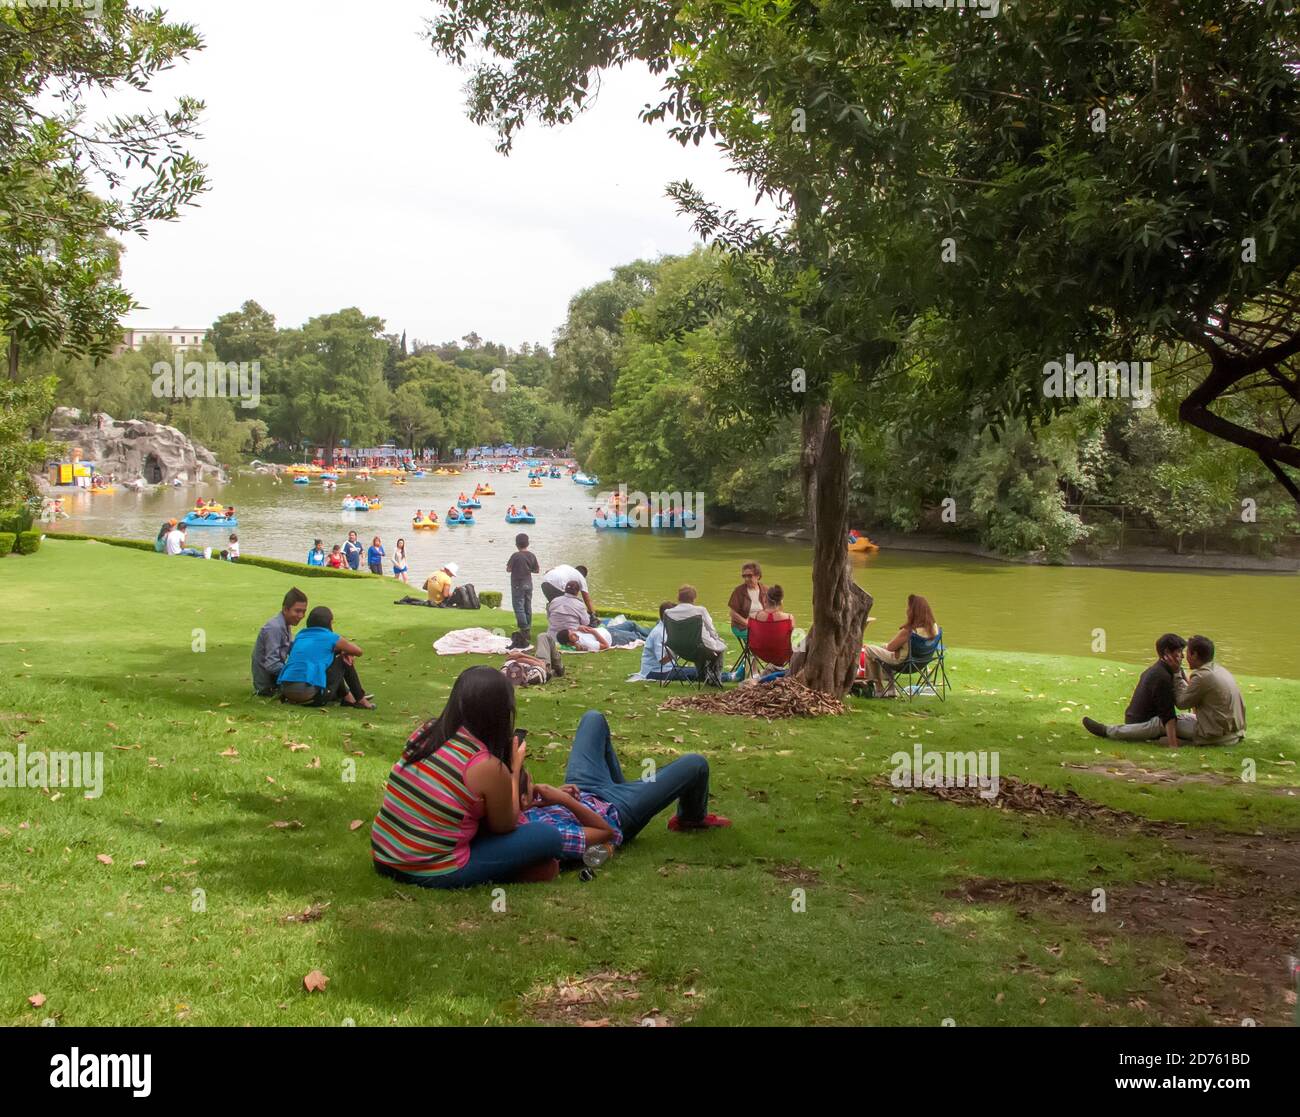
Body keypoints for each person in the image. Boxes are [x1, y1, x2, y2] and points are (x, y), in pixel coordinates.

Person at [370, 666, 565, 888]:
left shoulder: (427, 730)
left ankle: (527, 868)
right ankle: (518, 869)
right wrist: (515, 770)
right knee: (549, 836)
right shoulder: (486, 766)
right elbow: (505, 826)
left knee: (540, 859)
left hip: (383, 855)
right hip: (429, 869)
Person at [558, 710, 731, 840]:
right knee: (696, 764)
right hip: (616, 811)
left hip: (580, 790)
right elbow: (608, 834)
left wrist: (550, 795)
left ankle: (627, 788)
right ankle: (690, 819)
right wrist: (560, 799)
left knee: (593, 718)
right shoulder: (540, 840)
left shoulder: (533, 804)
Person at [277, 605, 375, 709]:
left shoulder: (300, 635)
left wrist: (339, 651)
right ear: (330, 622)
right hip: (312, 698)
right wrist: (345, 652)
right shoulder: (331, 637)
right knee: (342, 661)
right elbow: (359, 651)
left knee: (331, 661)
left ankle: (348, 698)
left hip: (286, 692)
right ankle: (361, 700)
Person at [516, 767, 621, 862]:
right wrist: (565, 799)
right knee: (637, 788)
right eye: (530, 782)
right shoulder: (547, 832)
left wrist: (556, 793)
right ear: (524, 799)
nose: (535, 786)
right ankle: (622, 787)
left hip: (582, 787)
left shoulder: (528, 807)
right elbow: (607, 832)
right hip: (615, 809)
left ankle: (619, 785)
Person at [862, 594, 939, 697]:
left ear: (913, 611)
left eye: (908, 607)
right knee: (880, 648)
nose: (906, 610)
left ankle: (880, 689)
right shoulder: (934, 627)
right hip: (920, 662)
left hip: (903, 662)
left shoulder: (909, 631)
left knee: (868, 650)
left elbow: (890, 648)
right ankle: (891, 689)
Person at [1175, 635, 1246, 746]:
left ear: (1194, 655)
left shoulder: (1202, 676)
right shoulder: (1220, 670)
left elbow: (1181, 703)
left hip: (1216, 737)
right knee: (1183, 717)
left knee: (1161, 723)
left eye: (1187, 652)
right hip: (1234, 733)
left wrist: (1176, 674)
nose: (1184, 656)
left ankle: (1136, 732)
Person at [664, 585, 727, 683]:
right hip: (698, 650)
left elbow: (668, 631)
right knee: (719, 647)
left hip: (677, 648)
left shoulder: (668, 612)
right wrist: (717, 639)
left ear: (678, 598)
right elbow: (711, 629)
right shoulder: (700, 610)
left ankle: (702, 675)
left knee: (699, 645)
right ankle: (714, 678)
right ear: (694, 598)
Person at [252, 587, 308, 696]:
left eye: (304, 611)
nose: (301, 616)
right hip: (268, 686)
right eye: (297, 611)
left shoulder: (285, 624)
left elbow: (288, 647)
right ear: (285, 609)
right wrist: (296, 672)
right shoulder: (274, 628)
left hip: (275, 680)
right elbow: (271, 664)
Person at [506, 533, 540, 645]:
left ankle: (524, 629)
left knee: (518, 607)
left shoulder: (515, 556)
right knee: (527, 606)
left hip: (517, 584)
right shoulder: (532, 555)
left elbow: (508, 569)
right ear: (528, 543)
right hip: (528, 584)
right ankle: (527, 629)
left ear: (516, 544)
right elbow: (536, 570)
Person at [727, 560, 769, 651]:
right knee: (760, 639)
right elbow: (732, 613)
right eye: (744, 576)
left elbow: (774, 607)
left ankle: (773, 663)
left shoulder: (766, 589)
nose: (746, 579)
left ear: (758, 576)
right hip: (741, 627)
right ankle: (753, 663)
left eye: (749, 576)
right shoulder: (738, 591)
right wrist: (747, 623)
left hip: (761, 626)